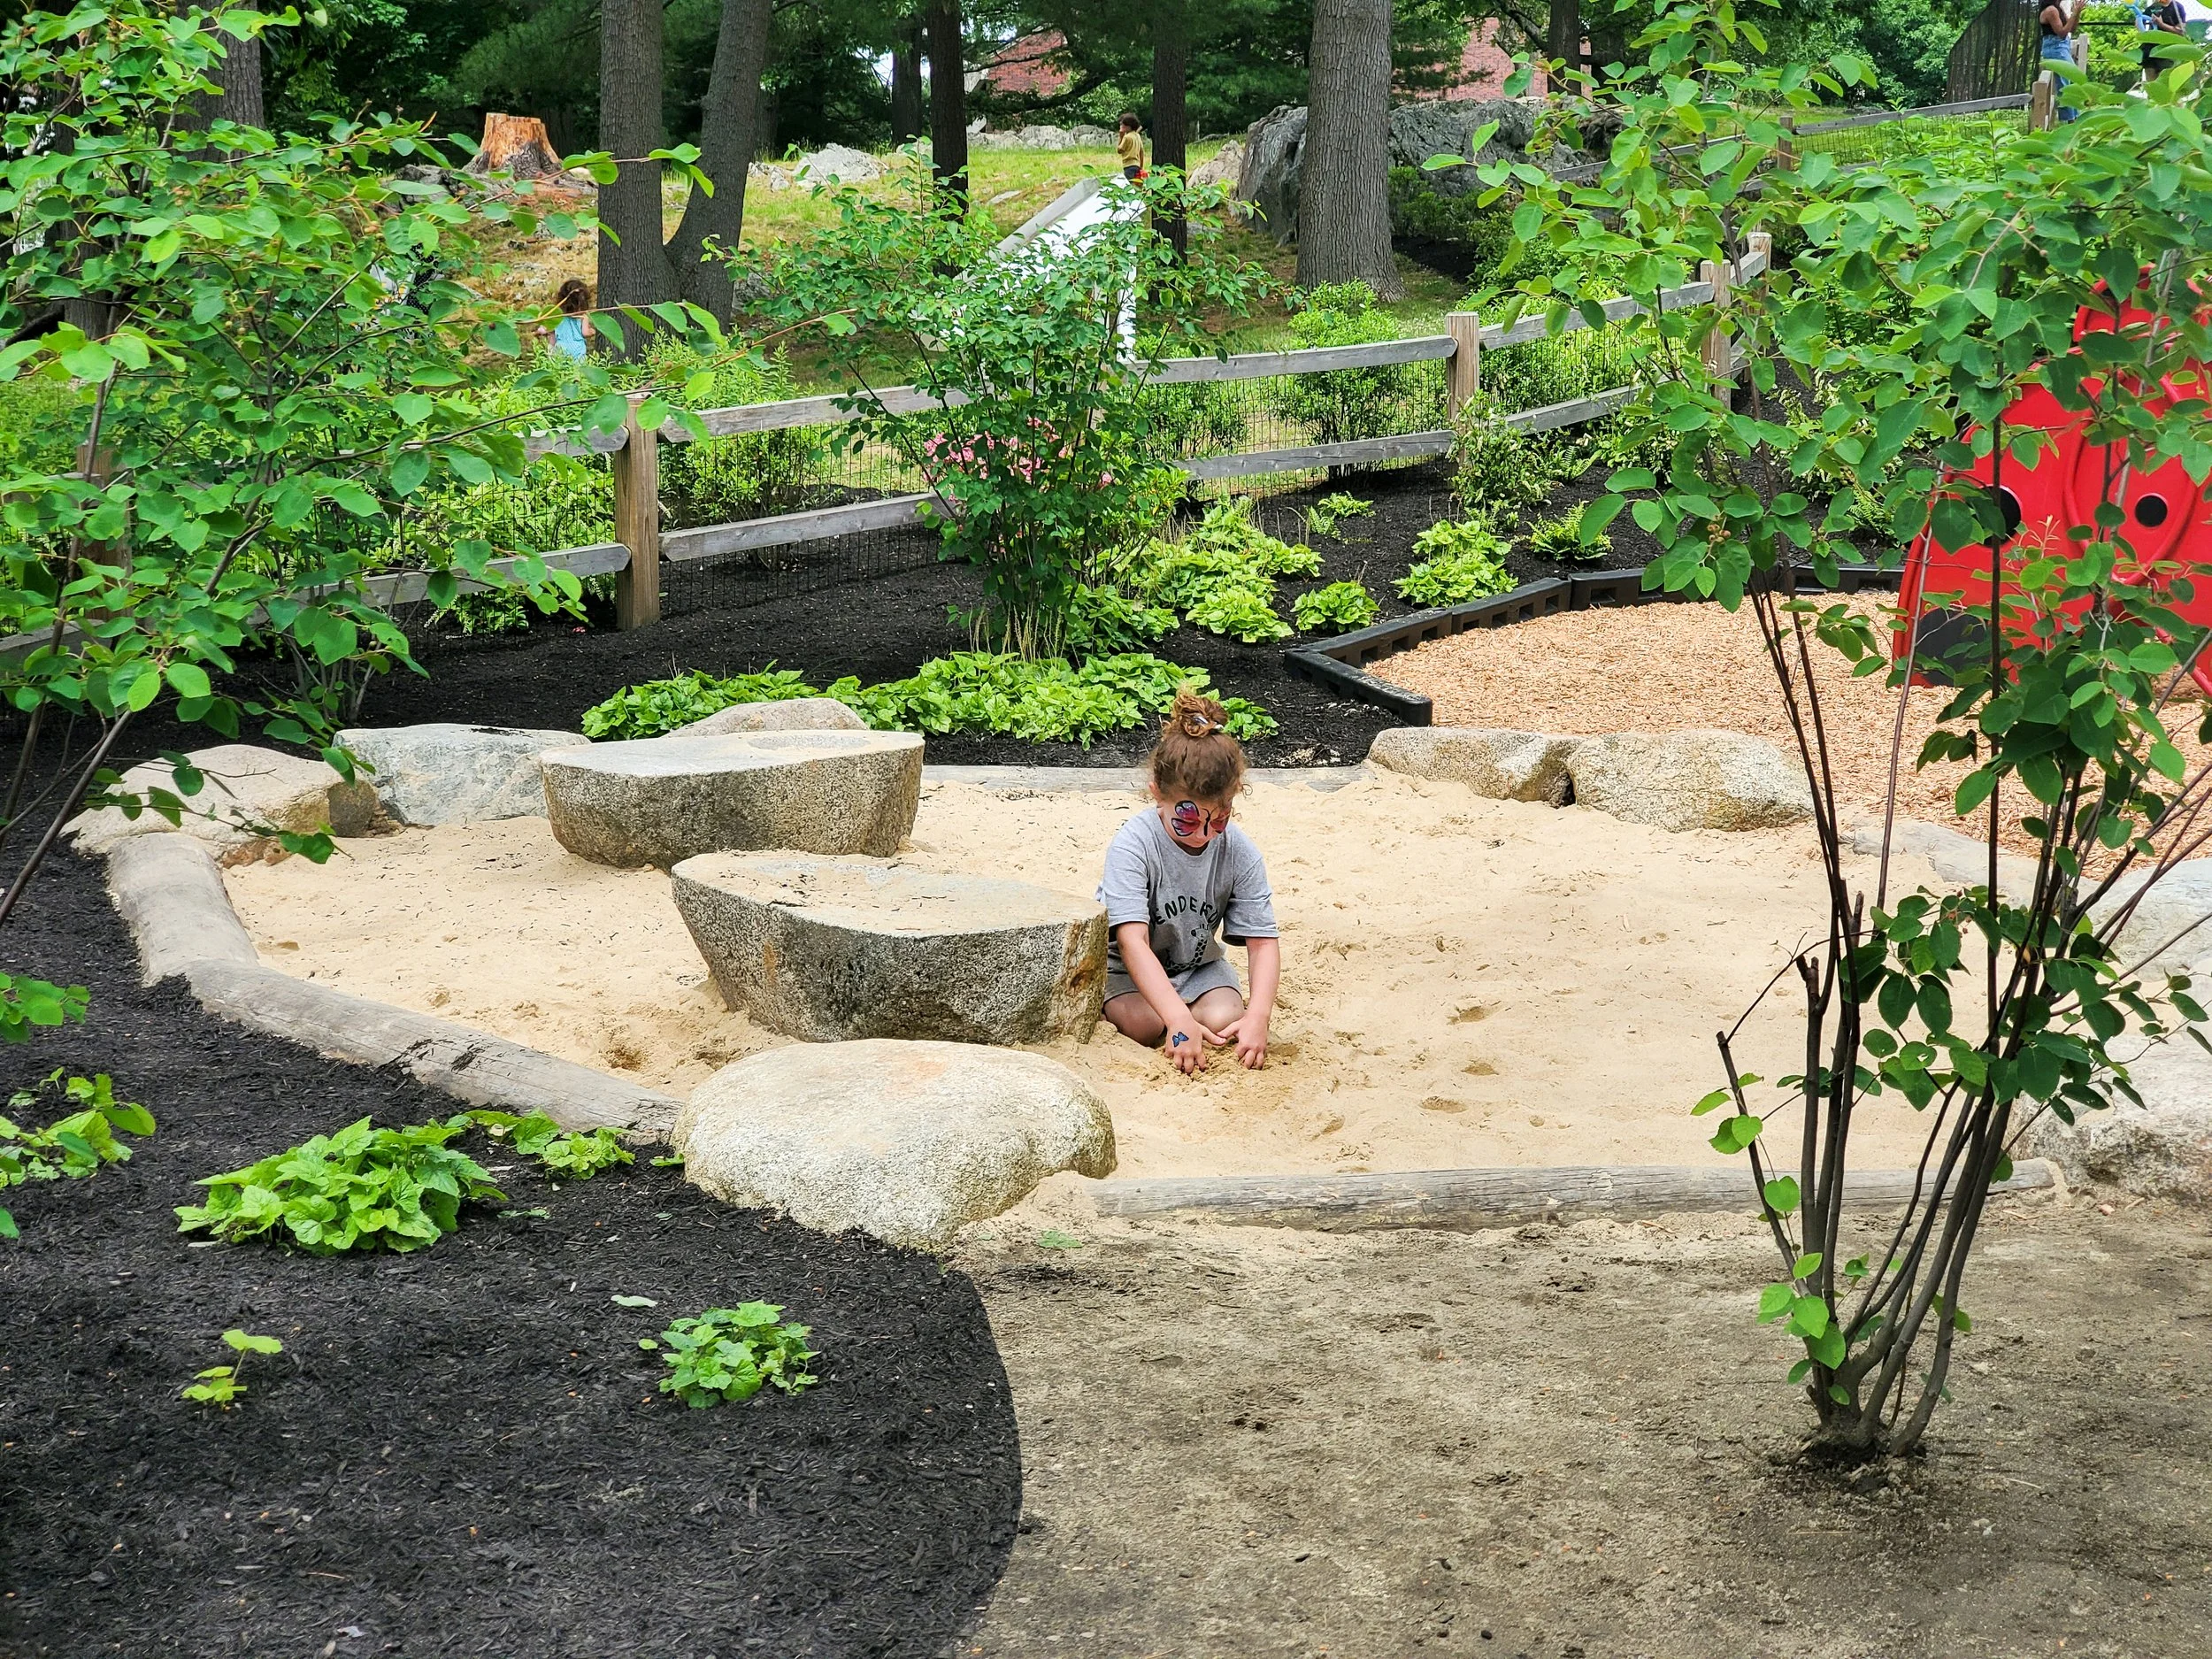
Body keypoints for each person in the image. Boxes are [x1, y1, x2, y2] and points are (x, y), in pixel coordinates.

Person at [1096, 689, 1280, 1074]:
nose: (1203, 834)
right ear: (1157, 795)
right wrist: (1179, 1021)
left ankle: (1183, 1015)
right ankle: (1173, 1016)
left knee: (1227, 1016)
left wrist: (1259, 1017)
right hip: (1126, 969)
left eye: (1219, 819)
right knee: (1143, 1025)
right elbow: (1131, 942)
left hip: (1194, 967)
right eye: (1187, 820)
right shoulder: (1134, 844)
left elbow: (1263, 941)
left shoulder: (1239, 850)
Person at [2040, 0, 2084, 121]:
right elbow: (2062, 33)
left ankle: (2075, 116)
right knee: (2064, 85)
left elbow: (2072, 29)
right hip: (2055, 48)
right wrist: (2074, 13)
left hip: (2062, 47)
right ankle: (2069, 119)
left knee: (2074, 80)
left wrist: (2077, 13)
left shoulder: (2058, 9)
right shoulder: (2051, 10)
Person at [544, 277, 592, 360]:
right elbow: (585, 333)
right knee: (578, 370)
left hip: (561, 347)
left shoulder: (557, 316)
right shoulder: (583, 317)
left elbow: (550, 331)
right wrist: (592, 331)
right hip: (577, 349)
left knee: (561, 369)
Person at [1115, 112, 1145, 181]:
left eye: (1122, 125)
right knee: (1136, 185)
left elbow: (1119, 150)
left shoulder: (1127, 137)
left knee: (1129, 186)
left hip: (1128, 166)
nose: (1121, 126)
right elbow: (1141, 151)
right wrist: (1141, 167)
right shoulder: (1137, 136)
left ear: (1128, 126)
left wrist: (1121, 137)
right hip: (1137, 165)